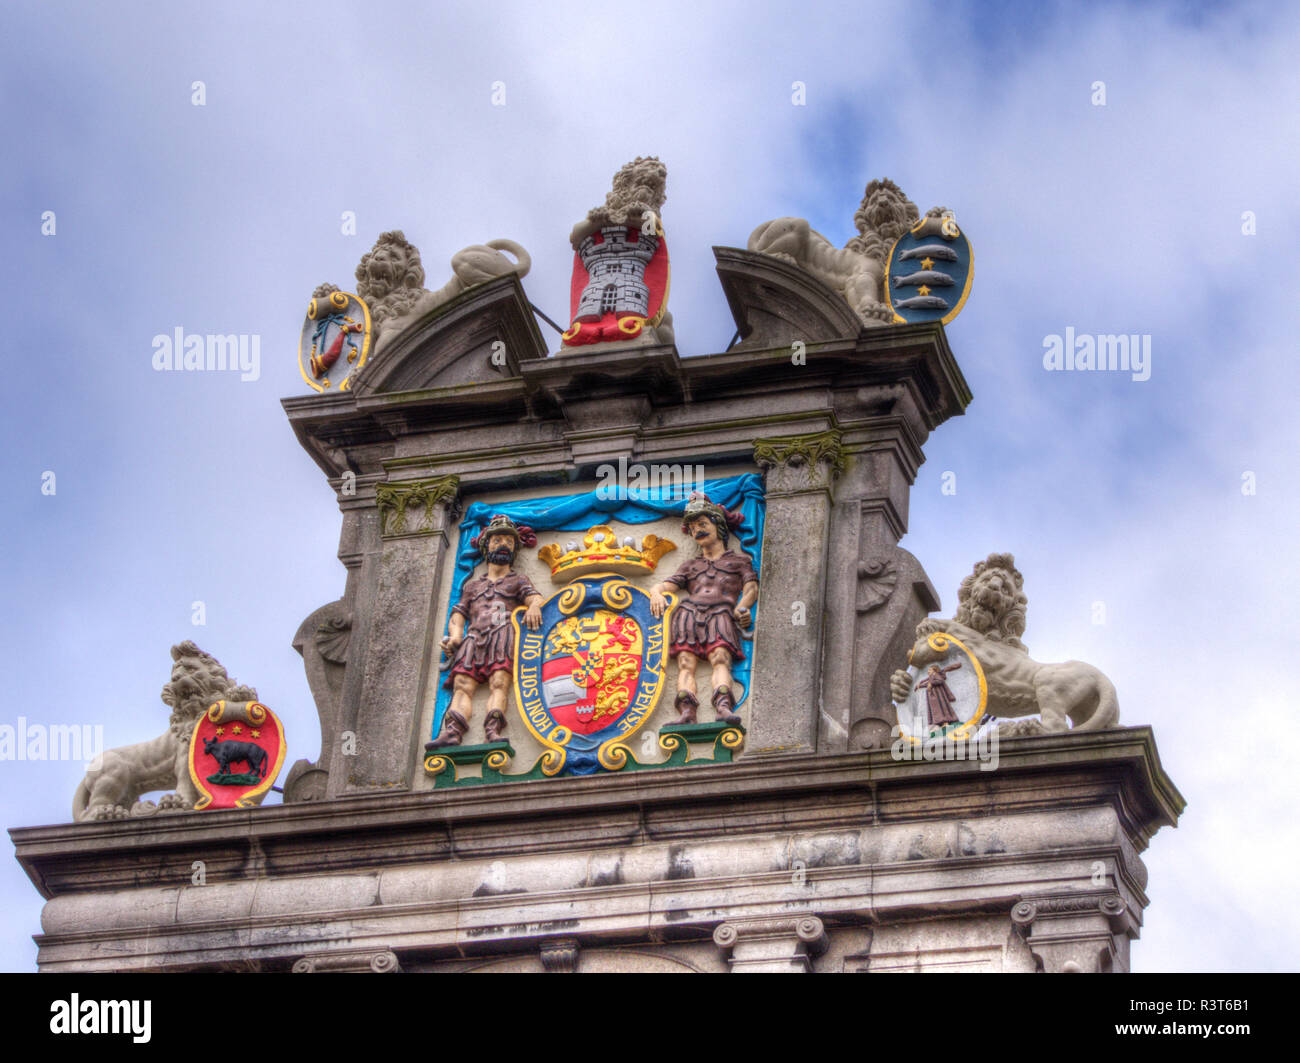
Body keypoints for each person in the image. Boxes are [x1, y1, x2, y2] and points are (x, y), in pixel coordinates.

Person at [429, 514, 542, 748]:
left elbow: (536, 597)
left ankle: (492, 730)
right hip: (473, 637)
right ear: (486, 545)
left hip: (502, 634)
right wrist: (456, 636)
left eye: (509, 542)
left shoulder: (518, 580)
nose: (503, 545)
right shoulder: (473, 586)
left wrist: (533, 606)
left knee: (499, 682)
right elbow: (459, 613)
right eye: (498, 540)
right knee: (462, 684)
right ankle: (453, 732)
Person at [649, 493, 758, 725]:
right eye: (693, 526)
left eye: (702, 524)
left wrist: (742, 608)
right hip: (688, 614)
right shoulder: (691, 565)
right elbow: (665, 585)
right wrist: (656, 592)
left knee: (720, 658)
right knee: (685, 662)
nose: (697, 530)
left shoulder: (739, 561)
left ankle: (723, 706)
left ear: (717, 526)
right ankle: (687, 712)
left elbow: (751, 588)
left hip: (721, 613)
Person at [914, 662, 963, 733]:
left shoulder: (936, 675)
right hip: (933, 696)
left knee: (940, 709)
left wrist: (931, 683)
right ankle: (938, 724)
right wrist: (919, 686)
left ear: (934, 670)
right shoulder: (931, 677)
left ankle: (945, 722)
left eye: (930, 670)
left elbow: (940, 680)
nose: (928, 672)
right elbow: (927, 683)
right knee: (935, 711)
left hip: (938, 696)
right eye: (928, 670)